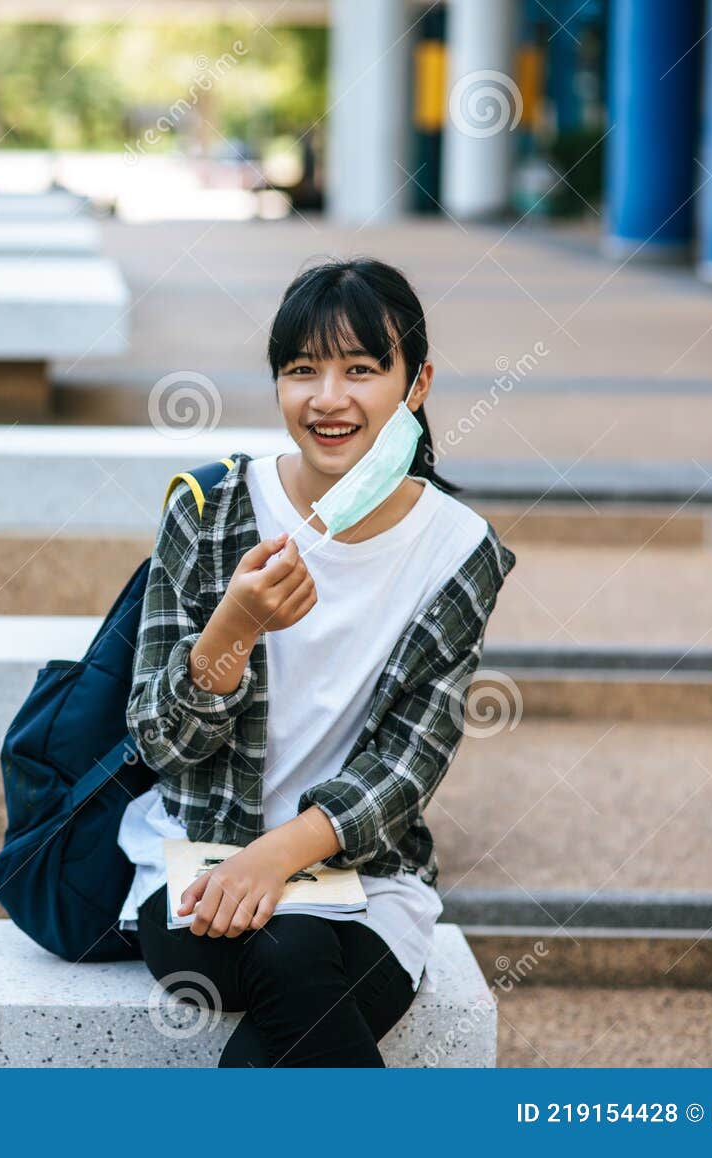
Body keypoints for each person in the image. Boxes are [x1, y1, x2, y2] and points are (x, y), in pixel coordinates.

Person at [119, 257, 515, 1067]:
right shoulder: (213, 508)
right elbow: (158, 742)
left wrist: (280, 856)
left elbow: (408, 765)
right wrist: (233, 626)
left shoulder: (457, 550)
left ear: (417, 385)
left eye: (361, 370)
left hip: (365, 883)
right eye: (302, 371)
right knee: (291, 958)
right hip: (200, 872)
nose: (327, 399)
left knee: (293, 968)